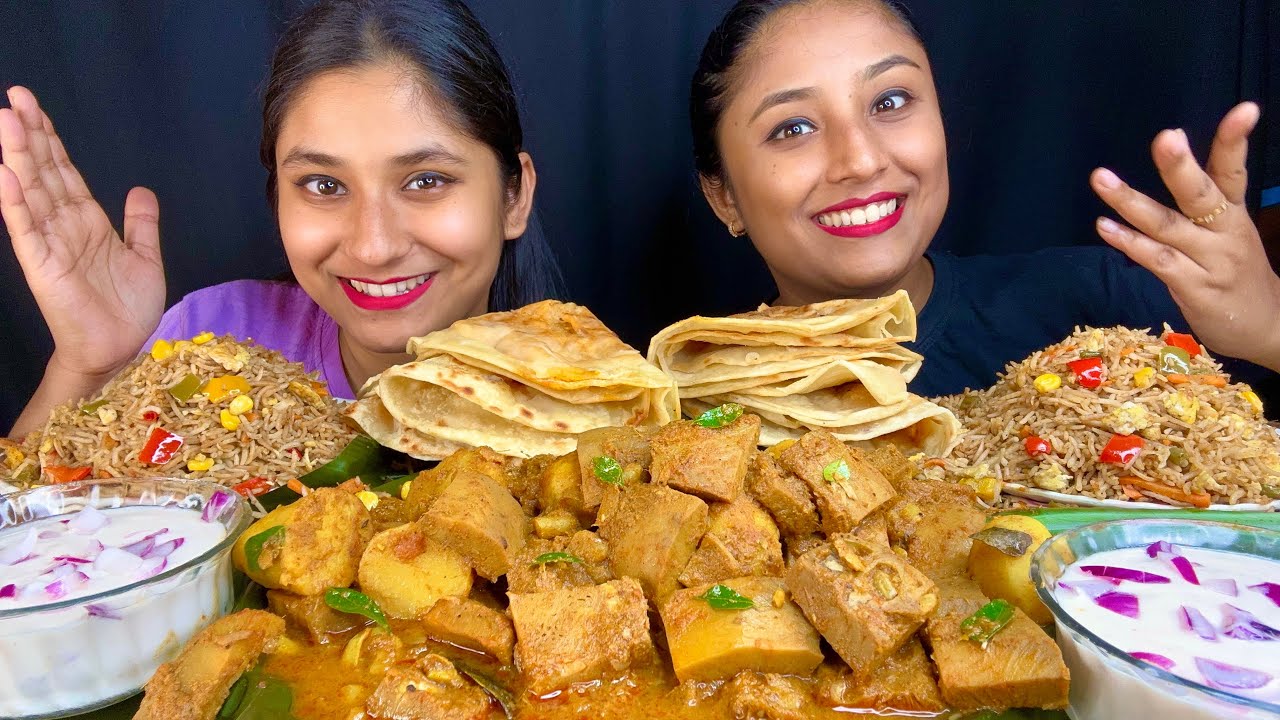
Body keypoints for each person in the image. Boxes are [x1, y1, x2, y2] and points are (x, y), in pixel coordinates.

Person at [0, 0, 563, 437]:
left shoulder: (591, 401)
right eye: (324, 185)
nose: (373, 246)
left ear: (514, 196)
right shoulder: (204, 343)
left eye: (426, 181)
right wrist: (89, 368)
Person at [689, 0, 1280, 396]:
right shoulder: (682, 399)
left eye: (890, 102)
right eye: (793, 128)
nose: (862, 160)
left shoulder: (1107, 301)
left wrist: (1269, 326)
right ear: (724, 198)